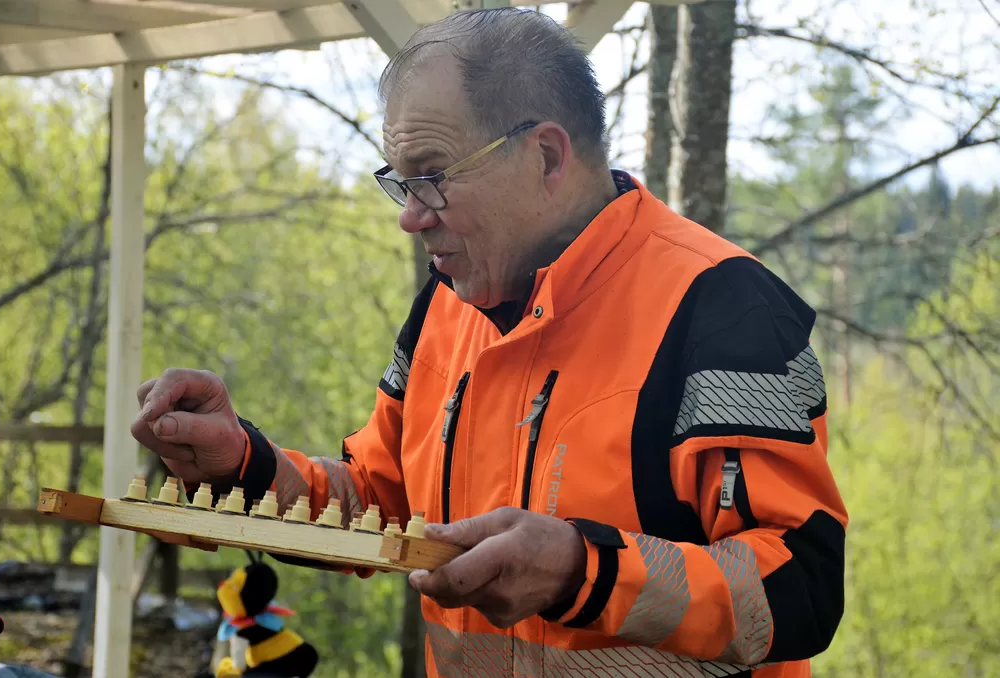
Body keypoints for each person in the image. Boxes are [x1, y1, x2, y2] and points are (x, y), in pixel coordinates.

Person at [132, 7, 848, 678]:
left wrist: (581, 571)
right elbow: (384, 504)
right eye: (401, 183)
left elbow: (799, 583)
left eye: (433, 178)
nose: (411, 218)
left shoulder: (722, 309)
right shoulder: (446, 304)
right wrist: (245, 467)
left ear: (545, 157)